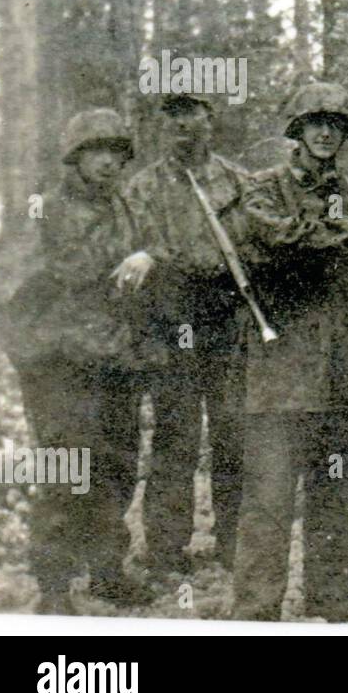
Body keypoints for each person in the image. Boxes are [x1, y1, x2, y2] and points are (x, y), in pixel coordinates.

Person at [231, 82, 348, 622]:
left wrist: (322, 241)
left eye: (337, 125)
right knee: (269, 501)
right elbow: (269, 244)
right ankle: (256, 610)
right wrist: (336, 238)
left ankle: (329, 599)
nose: (326, 133)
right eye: (315, 123)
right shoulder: (261, 189)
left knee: (334, 494)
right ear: (296, 132)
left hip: (341, 373)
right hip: (279, 374)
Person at [0, 108, 153, 613]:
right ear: (76, 157)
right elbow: (13, 288)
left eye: (117, 154)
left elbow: (142, 271)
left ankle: (107, 570)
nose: (108, 163)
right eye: (97, 152)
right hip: (62, 366)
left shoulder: (125, 209)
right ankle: (54, 587)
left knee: (116, 465)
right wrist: (39, 358)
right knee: (65, 470)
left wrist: (148, 259)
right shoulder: (42, 208)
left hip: (115, 359)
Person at [120, 92, 249, 579]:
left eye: (192, 115)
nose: (183, 126)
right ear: (160, 125)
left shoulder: (237, 181)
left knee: (233, 431)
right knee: (176, 434)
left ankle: (237, 544)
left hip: (227, 319)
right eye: (172, 117)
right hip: (173, 321)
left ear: (210, 121)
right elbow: (131, 249)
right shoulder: (141, 188)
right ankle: (168, 549)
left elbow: (253, 242)